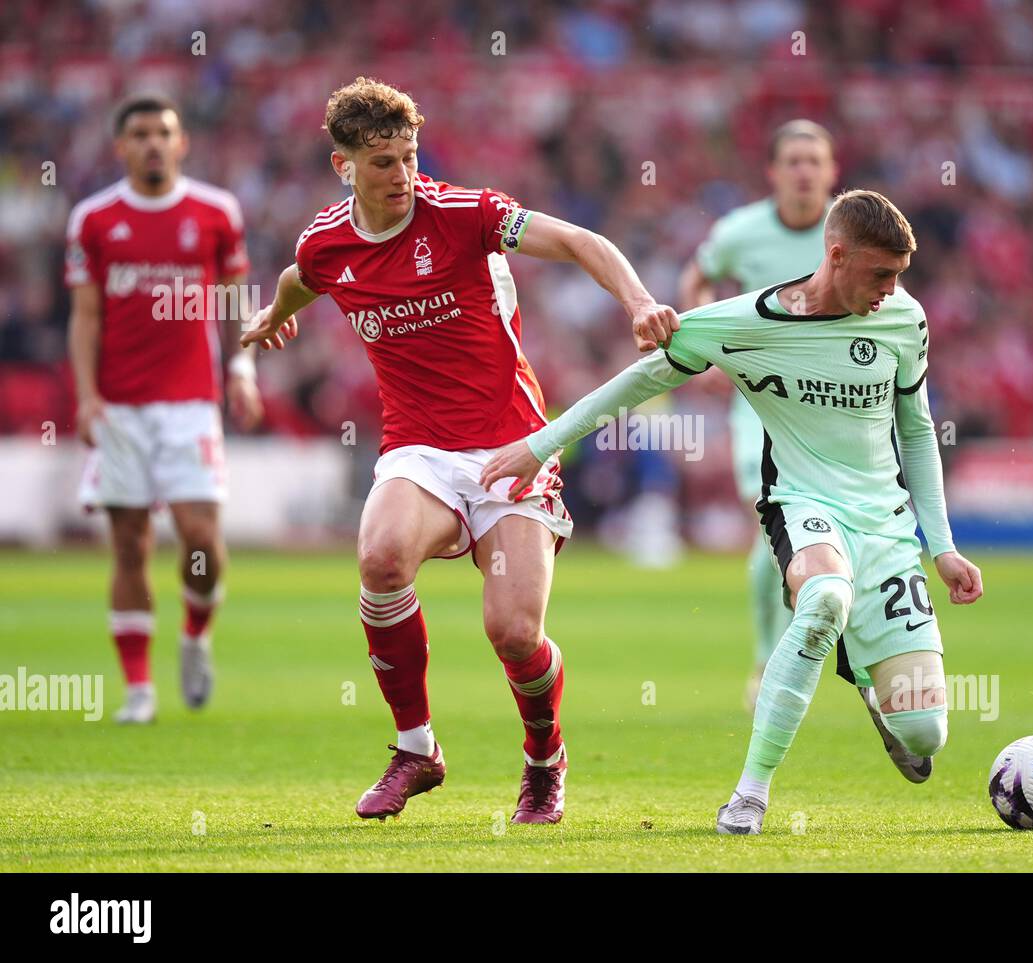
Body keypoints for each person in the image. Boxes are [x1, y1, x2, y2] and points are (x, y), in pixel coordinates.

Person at [240, 77, 679, 824]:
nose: (402, 175)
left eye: (408, 156)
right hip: (418, 450)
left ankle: (544, 759)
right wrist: (273, 313)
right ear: (343, 166)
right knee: (379, 557)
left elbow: (578, 241)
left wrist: (638, 301)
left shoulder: (463, 213)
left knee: (514, 633)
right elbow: (303, 276)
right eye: (381, 162)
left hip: (513, 446)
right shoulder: (327, 241)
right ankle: (416, 749)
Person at [482, 190, 983, 835]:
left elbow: (916, 432)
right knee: (825, 597)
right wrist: (541, 443)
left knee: (924, 732)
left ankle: (862, 671)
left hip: (886, 523)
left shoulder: (902, 318)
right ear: (837, 256)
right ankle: (749, 794)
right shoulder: (745, 322)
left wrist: (940, 545)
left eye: (898, 277)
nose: (891, 289)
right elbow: (637, 382)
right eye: (881, 274)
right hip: (801, 504)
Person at [66, 94, 263, 724]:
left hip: (190, 405)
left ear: (181, 143)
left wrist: (241, 368)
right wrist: (87, 395)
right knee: (129, 545)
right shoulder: (93, 219)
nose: (153, 143)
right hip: (121, 406)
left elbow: (237, 301)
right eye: (140, 134)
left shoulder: (215, 212)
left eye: (164, 133)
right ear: (120, 146)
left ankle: (195, 635)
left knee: (202, 540)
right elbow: (86, 314)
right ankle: (140, 690)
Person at [678, 119, 837, 711]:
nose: (803, 171)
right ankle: (768, 659)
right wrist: (707, 345)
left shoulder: (846, 232)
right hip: (761, 401)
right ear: (772, 172)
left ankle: (855, 654)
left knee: (838, 526)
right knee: (769, 512)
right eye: (792, 160)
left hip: (834, 403)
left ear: (831, 171)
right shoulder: (740, 231)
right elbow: (697, 276)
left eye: (813, 160)